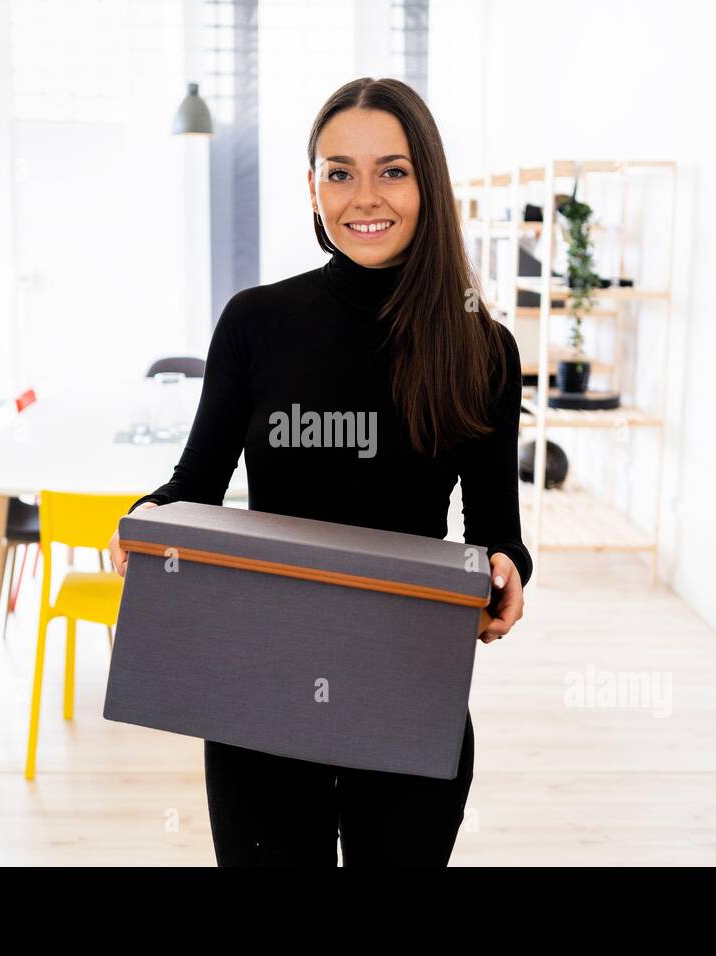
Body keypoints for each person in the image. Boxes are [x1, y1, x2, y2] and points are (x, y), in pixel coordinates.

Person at [107, 76, 530, 867]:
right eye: (339, 172)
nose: (363, 196)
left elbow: (497, 532)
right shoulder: (256, 324)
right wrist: (145, 520)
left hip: (411, 684)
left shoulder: (482, 348)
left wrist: (508, 571)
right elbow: (191, 490)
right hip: (261, 689)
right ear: (312, 186)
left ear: (428, 184)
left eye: (392, 170)